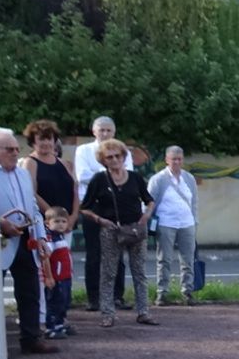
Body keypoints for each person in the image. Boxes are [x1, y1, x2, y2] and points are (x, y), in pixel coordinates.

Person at [79, 138, 158, 329]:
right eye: (109, 157)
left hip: (136, 229)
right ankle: (107, 314)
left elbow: (149, 200)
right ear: (103, 160)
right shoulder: (99, 180)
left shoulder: (135, 177)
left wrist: (146, 216)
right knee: (108, 272)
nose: (114, 160)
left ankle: (143, 312)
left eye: (117, 156)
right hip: (111, 231)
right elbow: (85, 208)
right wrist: (101, 220)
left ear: (124, 156)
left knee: (139, 272)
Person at [0, 128, 58, 354]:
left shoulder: (22, 173)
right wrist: (0, 223)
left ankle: (31, 338)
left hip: (26, 239)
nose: (14, 152)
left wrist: (40, 236)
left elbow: (32, 207)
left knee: (29, 291)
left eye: (16, 149)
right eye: (9, 149)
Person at [75, 116, 133, 312]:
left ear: (114, 132)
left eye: (108, 130)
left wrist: (100, 172)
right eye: (102, 130)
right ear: (94, 131)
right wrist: (111, 171)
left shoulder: (123, 149)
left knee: (117, 254)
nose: (105, 134)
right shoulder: (83, 150)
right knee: (94, 254)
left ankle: (117, 296)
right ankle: (94, 298)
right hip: (93, 206)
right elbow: (83, 176)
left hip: (117, 207)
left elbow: (128, 175)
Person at [148, 146, 199, 306]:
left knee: (188, 259)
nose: (177, 162)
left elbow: (194, 202)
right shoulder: (158, 179)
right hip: (166, 222)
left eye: (179, 159)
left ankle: (187, 291)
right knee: (164, 259)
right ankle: (162, 293)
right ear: (167, 160)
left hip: (186, 222)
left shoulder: (189, 178)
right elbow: (149, 201)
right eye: (173, 159)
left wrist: (195, 221)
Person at [43, 206, 73, 339]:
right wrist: (49, 277)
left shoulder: (61, 237)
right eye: (57, 221)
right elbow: (45, 258)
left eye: (63, 221)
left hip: (65, 276)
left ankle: (60, 324)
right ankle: (51, 327)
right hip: (57, 277)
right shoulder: (50, 239)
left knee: (64, 301)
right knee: (55, 302)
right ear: (48, 223)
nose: (61, 224)